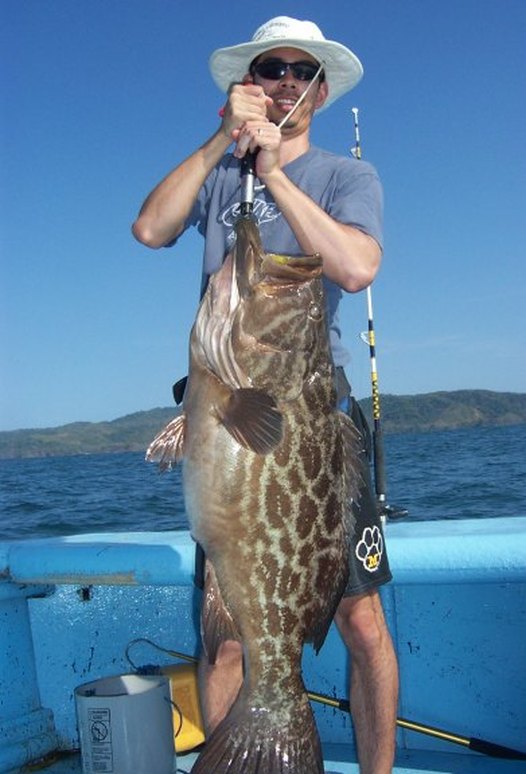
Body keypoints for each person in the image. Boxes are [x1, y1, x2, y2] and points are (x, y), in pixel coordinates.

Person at [133, 16, 398, 774]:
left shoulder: (348, 178)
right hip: (224, 408)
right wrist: (225, 140)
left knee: (362, 621)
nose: (285, 81)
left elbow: (354, 268)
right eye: (269, 69)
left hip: (308, 415)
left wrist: (276, 169)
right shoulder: (219, 176)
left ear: (319, 89)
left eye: (300, 71)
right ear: (246, 82)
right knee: (223, 636)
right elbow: (151, 229)